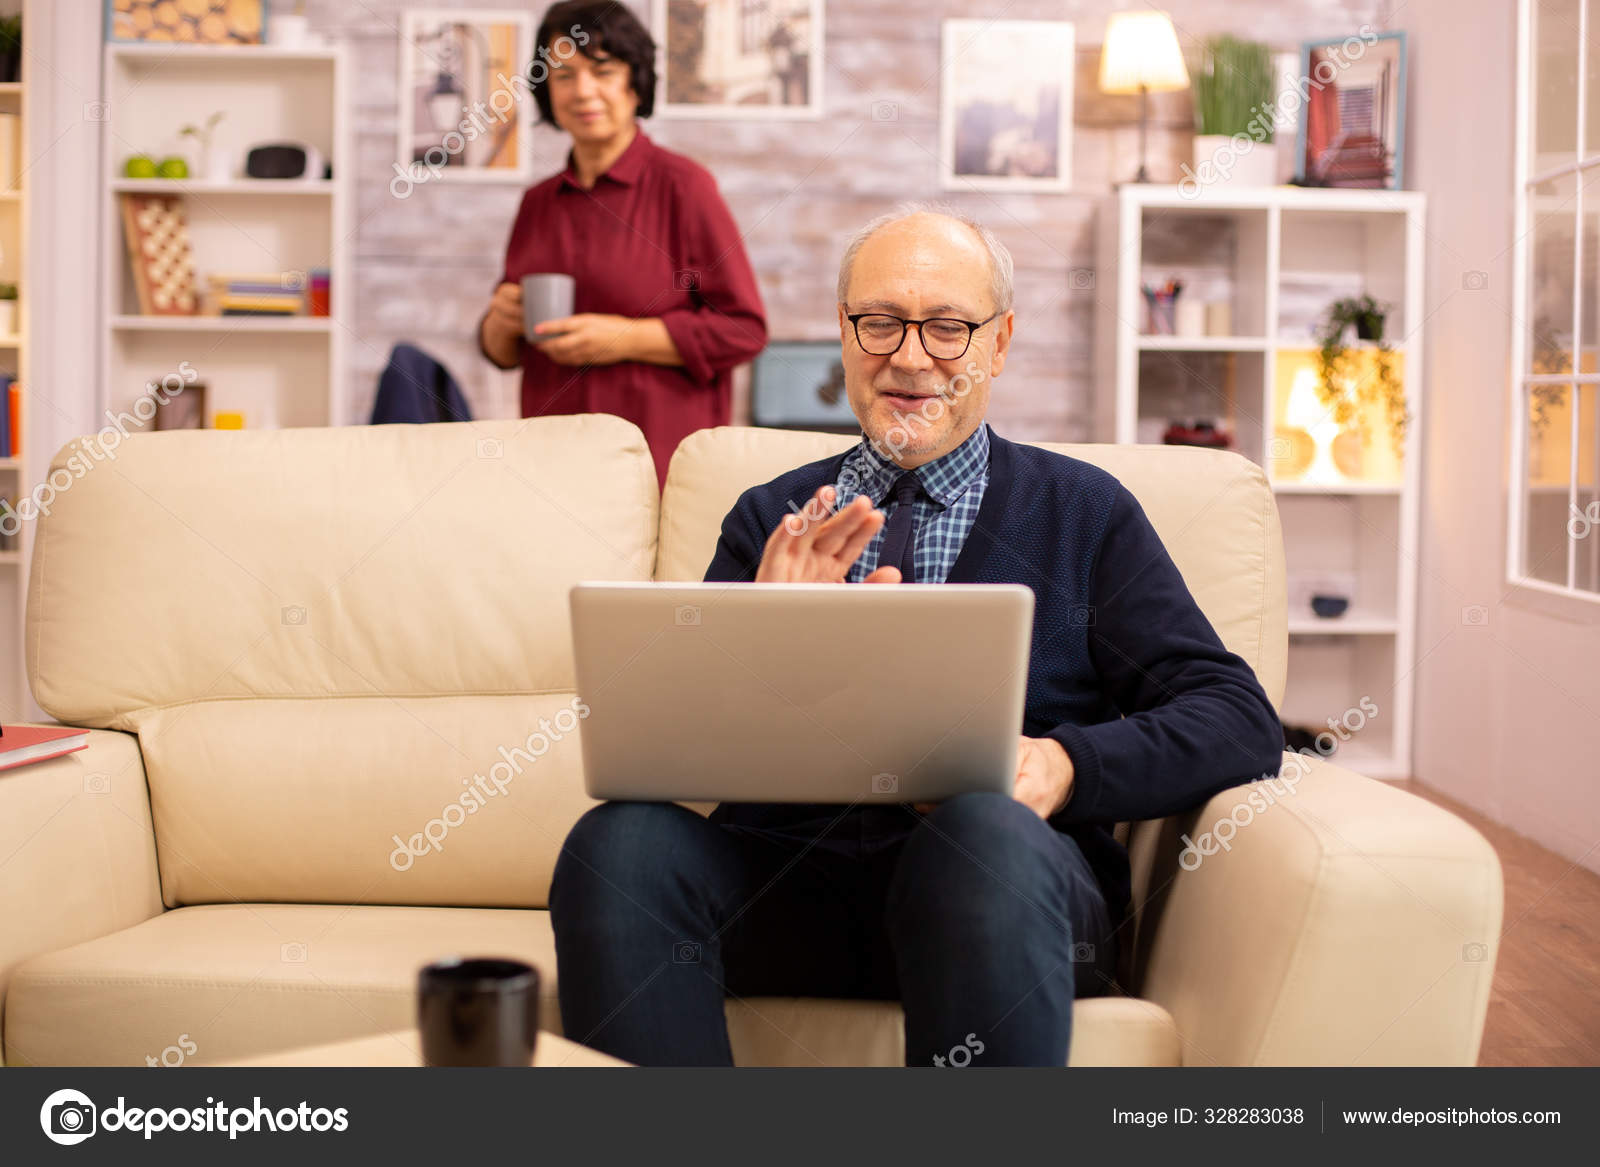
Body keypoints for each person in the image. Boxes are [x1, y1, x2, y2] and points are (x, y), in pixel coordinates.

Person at [548, 203, 1285, 1067]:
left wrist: (1059, 767)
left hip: (996, 888)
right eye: (881, 323)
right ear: (843, 332)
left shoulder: (1085, 514)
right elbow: (675, 754)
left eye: (946, 328)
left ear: (999, 342)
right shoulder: (768, 518)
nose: (908, 356)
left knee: (983, 832)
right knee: (616, 844)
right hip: (789, 889)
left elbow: (1237, 717)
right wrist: (767, 636)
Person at [478, 0, 767, 486]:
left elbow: (743, 330)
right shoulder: (538, 203)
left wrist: (622, 338)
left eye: (603, 71)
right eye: (564, 74)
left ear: (635, 82)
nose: (582, 91)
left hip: (660, 470)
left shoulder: (684, 186)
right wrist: (498, 323)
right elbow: (505, 351)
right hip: (552, 466)